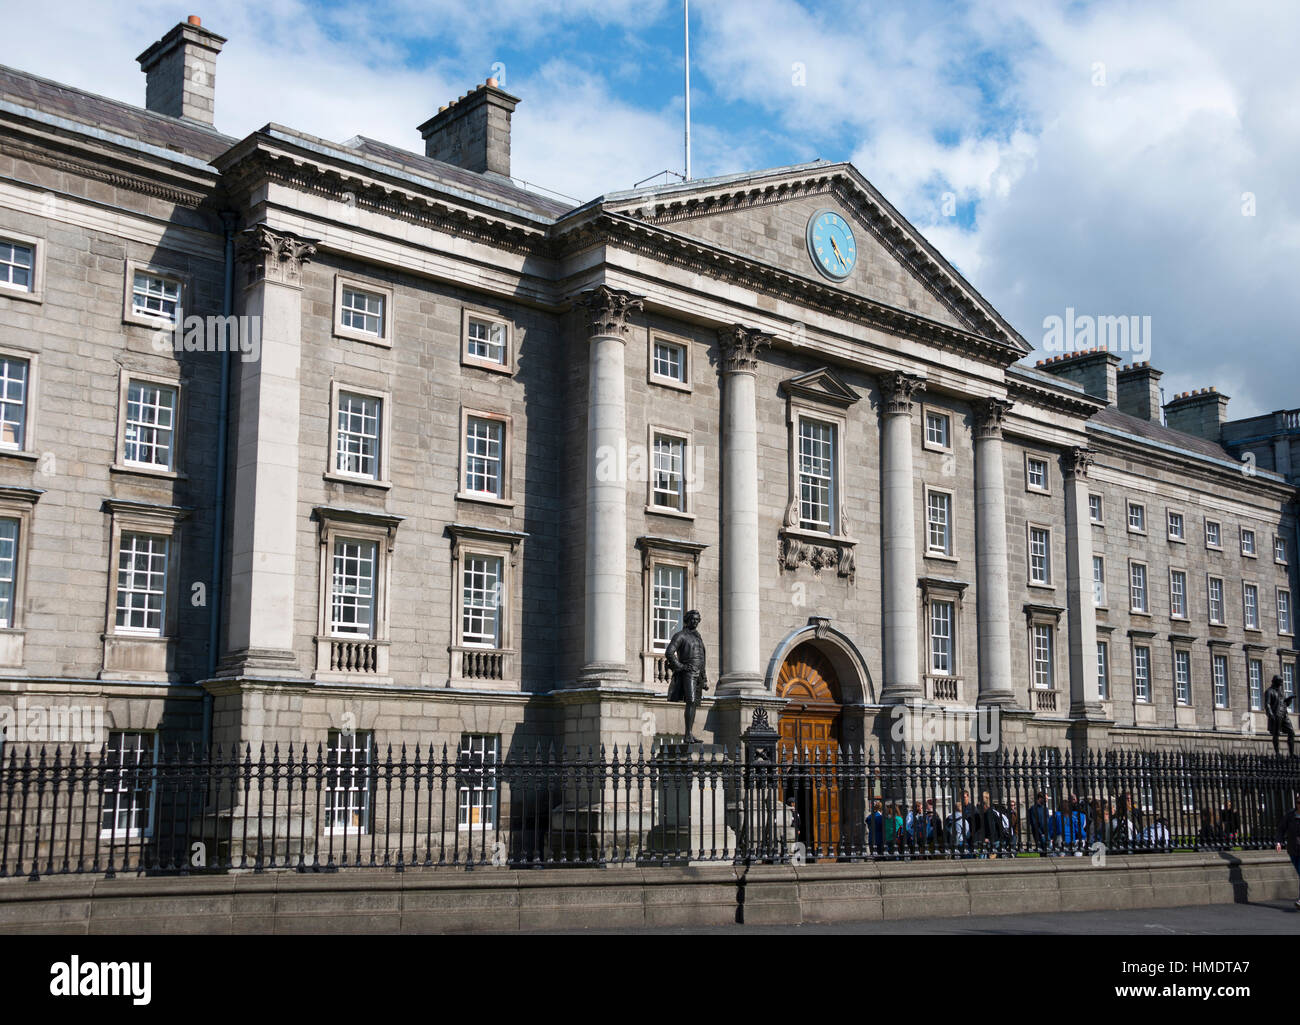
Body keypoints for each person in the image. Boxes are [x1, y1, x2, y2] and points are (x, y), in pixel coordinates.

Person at [664, 610, 708, 743]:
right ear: (687, 620)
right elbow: (669, 652)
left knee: (694, 703)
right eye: (692, 619)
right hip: (688, 672)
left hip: (698, 674)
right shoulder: (680, 635)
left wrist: (704, 678)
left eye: (697, 619)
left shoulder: (698, 637)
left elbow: (702, 658)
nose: (695, 621)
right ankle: (688, 734)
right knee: (691, 700)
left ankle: (689, 733)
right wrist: (681, 666)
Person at [1274, 791, 1300, 909]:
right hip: (1293, 850)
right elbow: (1281, 829)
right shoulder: (1290, 816)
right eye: (1299, 802)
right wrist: (1279, 842)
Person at [1265, 675, 1296, 757]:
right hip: (1276, 715)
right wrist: (1270, 714)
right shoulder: (1269, 691)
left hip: (1284, 715)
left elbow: (1284, 703)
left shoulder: (1280, 692)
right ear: (1276, 681)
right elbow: (1267, 704)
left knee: (1291, 732)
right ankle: (1277, 753)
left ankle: (1292, 754)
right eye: (1280, 682)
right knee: (1276, 734)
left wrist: (1289, 699)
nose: (1281, 684)